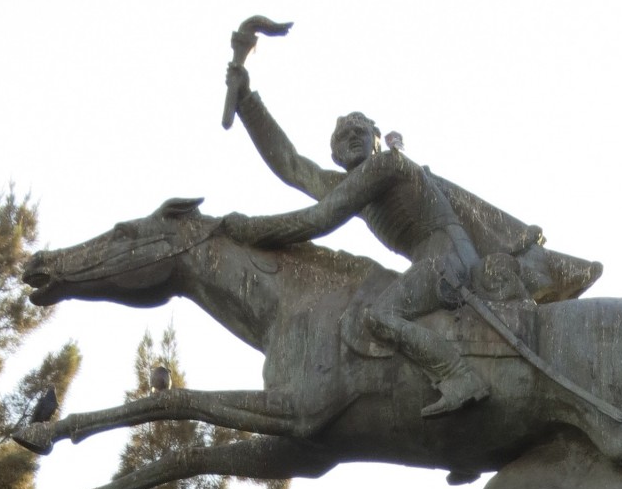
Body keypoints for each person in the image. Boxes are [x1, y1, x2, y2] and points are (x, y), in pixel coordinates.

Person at [223, 69, 590, 417]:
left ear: (376, 138)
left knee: (381, 316)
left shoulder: (386, 166)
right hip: (433, 260)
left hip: (447, 255)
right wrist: (247, 102)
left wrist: (248, 229)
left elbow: (317, 220)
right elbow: (292, 166)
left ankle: (458, 376)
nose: (351, 137)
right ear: (335, 155)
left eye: (359, 131)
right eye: (342, 137)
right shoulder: (355, 187)